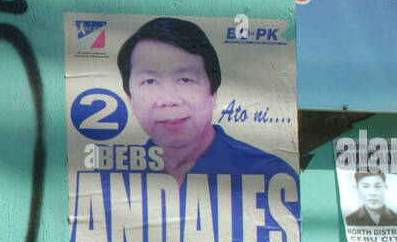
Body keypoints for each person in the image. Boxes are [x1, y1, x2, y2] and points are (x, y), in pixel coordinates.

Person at [117, 17, 291, 184]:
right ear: (130, 98)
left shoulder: (270, 175)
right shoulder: (113, 178)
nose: (169, 100)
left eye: (185, 79)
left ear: (213, 92)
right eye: (150, 81)